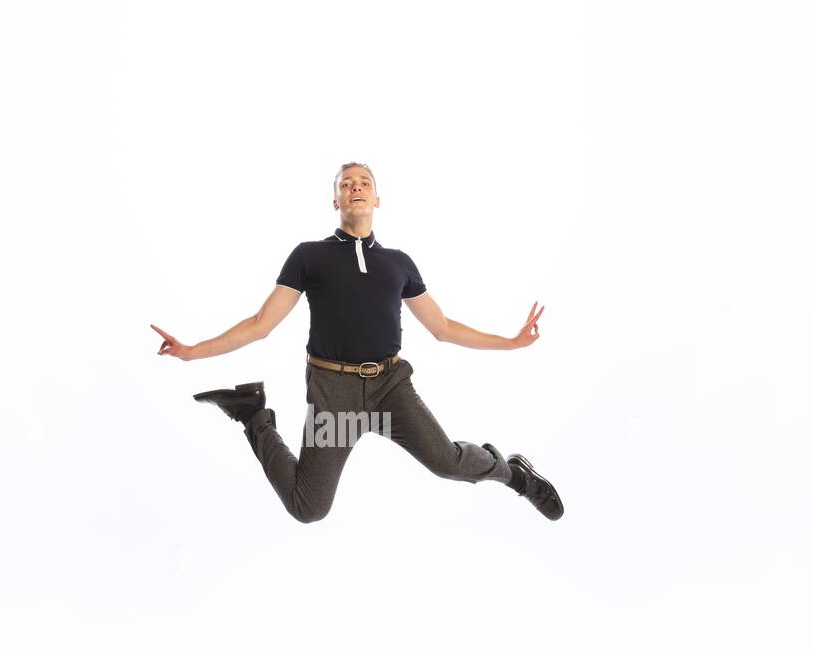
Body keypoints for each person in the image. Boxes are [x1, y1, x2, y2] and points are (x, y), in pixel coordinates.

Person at [149, 161, 564, 524]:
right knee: (308, 508)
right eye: (346, 183)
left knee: (448, 462)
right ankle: (253, 415)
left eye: (363, 181)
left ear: (377, 199)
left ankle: (514, 474)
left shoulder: (398, 263)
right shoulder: (309, 256)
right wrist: (191, 350)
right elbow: (260, 324)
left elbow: (443, 327)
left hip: (390, 389)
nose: (356, 187)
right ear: (336, 202)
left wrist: (510, 342)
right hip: (335, 394)